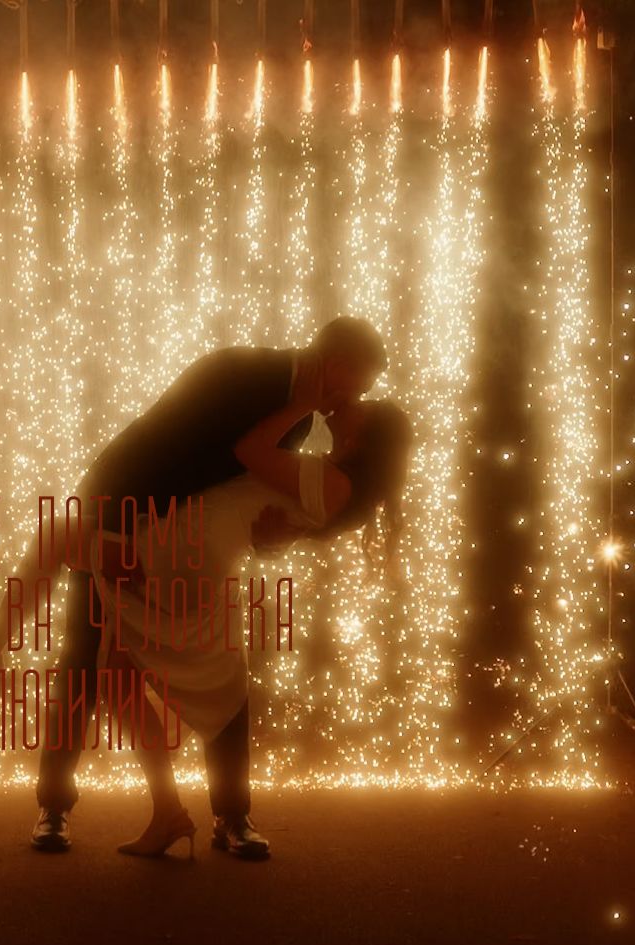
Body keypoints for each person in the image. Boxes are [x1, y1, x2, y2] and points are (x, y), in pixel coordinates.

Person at [28, 316, 391, 857]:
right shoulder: (235, 372)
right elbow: (152, 448)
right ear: (336, 363)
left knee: (224, 670)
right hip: (119, 515)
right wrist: (121, 539)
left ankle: (232, 816)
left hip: (189, 551)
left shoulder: (301, 417)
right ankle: (54, 807)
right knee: (85, 658)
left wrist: (270, 539)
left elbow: (256, 497)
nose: (353, 399)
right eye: (358, 383)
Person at [105, 396, 409, 858]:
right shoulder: (334, 482)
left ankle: (196, 812)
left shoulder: (331, 481)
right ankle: (200, 814)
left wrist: (307, 402)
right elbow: (276, 523)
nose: (346, 407)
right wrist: (271, 542)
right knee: (150, 676)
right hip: (201, 560)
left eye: (359, 409)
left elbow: (252, 452)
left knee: (133, 670)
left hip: (183, 555)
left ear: (361, 438)